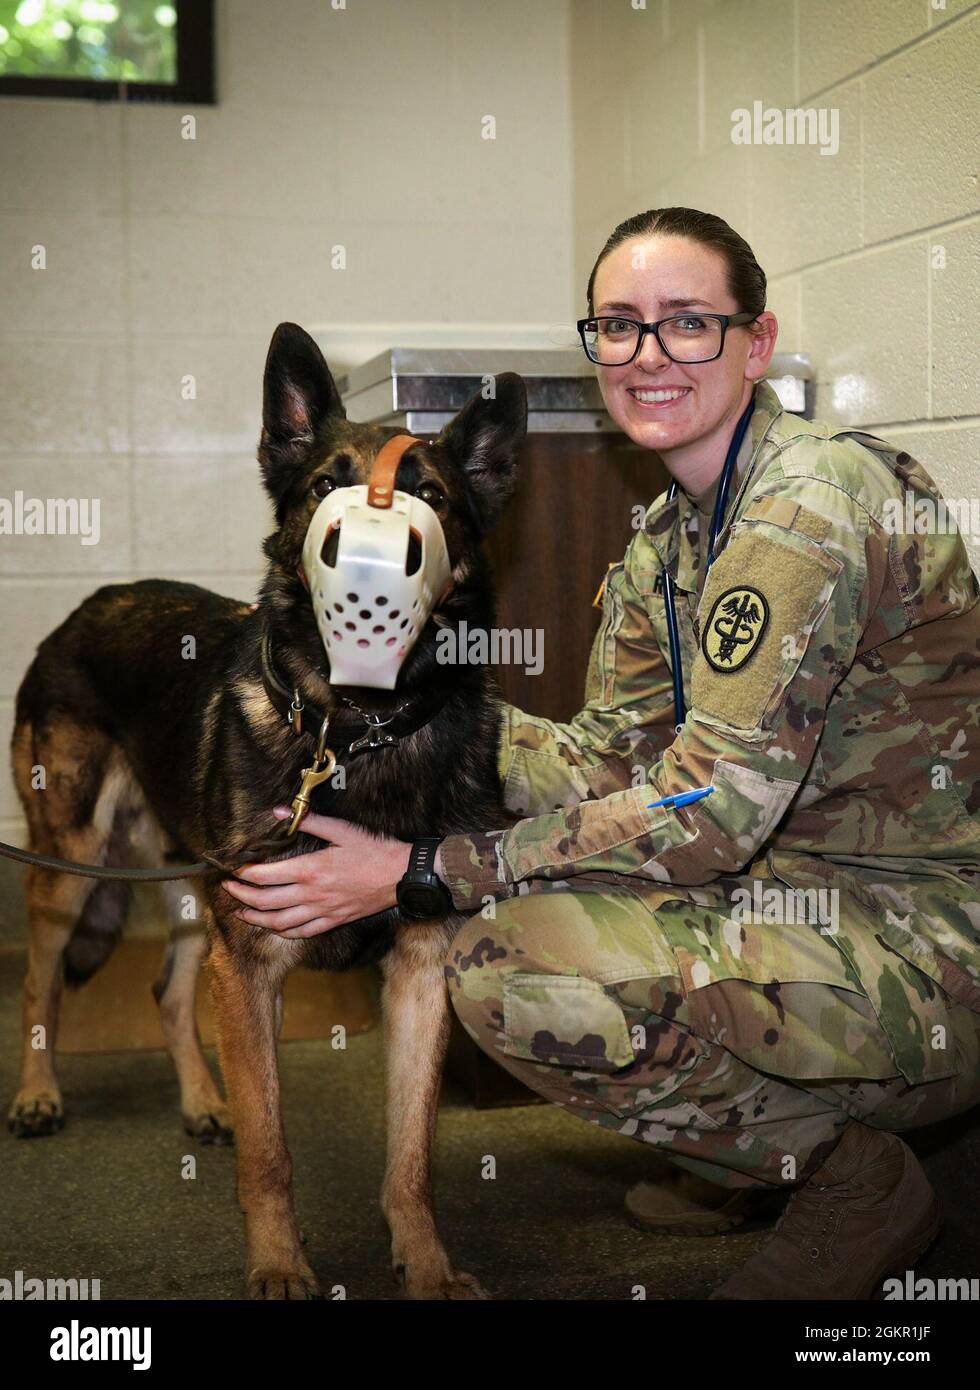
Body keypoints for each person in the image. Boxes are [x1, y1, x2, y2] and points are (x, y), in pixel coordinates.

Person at [223, 207, 980, 1300]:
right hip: (787, 894)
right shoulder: (666, 538)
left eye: (687, 324)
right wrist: (362, 715)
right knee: (521, 882)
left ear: (754, 344)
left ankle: (835, 1173)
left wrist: (422, 869)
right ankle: (756, 1139)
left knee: (498, 961)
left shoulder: (804, 504)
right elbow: (604, 764)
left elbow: (700, 810)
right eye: (618, 326)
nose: (646, 354)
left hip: (925, 933)